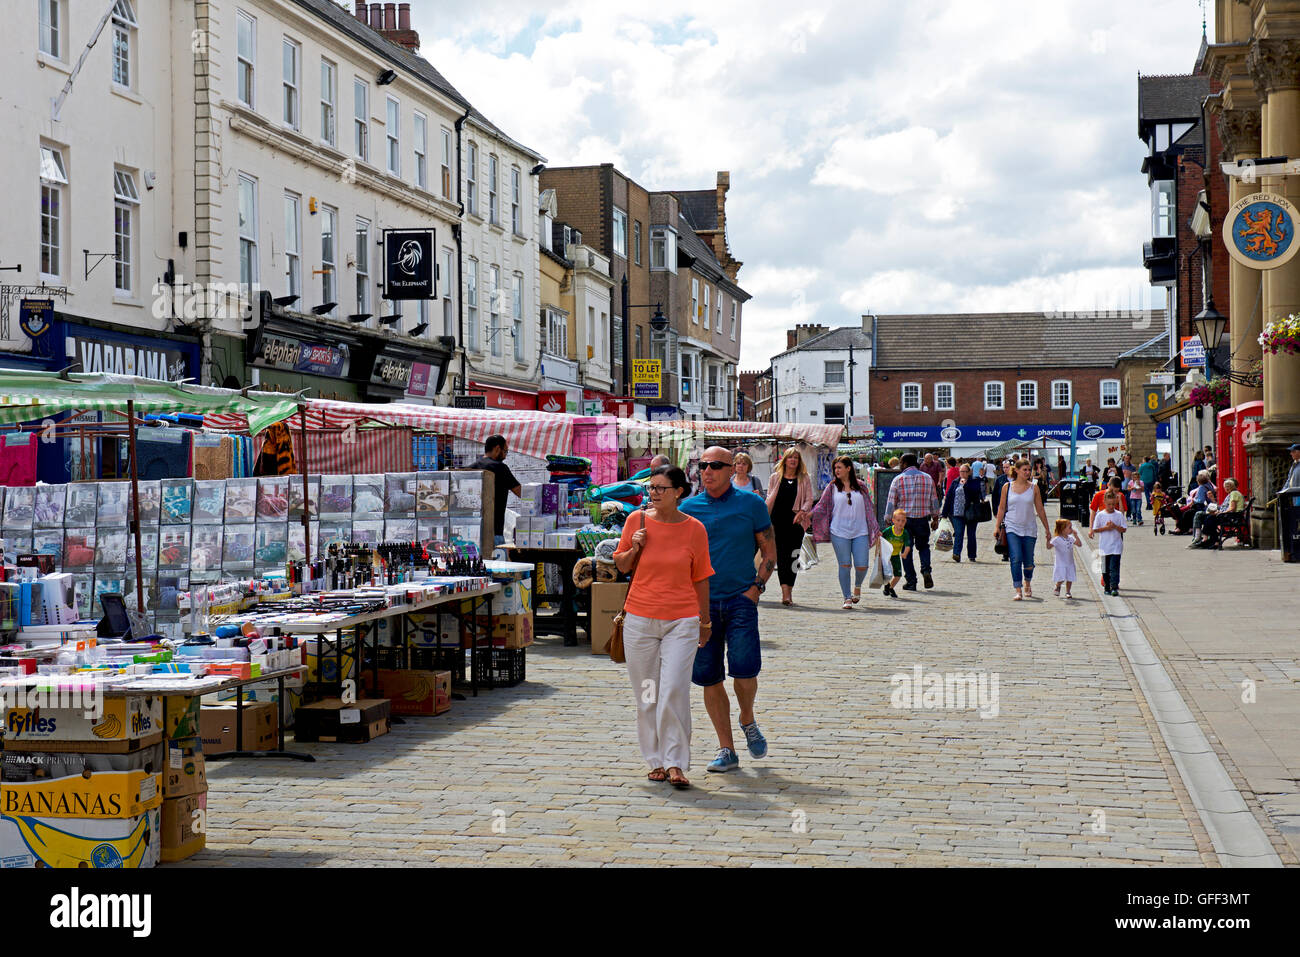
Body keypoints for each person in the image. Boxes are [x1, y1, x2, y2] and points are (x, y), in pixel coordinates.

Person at [679, 447, 778, 775]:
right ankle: (727, 749)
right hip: (701, 605)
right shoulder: (688, 509)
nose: (707, 471)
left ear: (731, 468)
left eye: (715, 466)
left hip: (740, 600)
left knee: (745, 671)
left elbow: (769, 551)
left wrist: (756, 589)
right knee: (709, 677)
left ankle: (747, 718)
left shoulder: (751, 504)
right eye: (703, 465)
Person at [613, 466, 713, 789]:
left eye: (661, 488)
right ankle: (654, 760)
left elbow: (701, 578)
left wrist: (705, 620)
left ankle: (675, 762)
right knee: (648, 693)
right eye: (652, 487)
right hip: (640, 618)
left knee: (673, 690)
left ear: (679, 492)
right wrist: (635, 547)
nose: (654, 493)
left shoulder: (695, 529)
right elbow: (621, 565)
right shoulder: (635, 521)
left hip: (682, 620)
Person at [810, 456, 881, 609]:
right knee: (845, 565)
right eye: (835, 468)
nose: (836, 471)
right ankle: (847, 597)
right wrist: (807, 515)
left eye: (839, 467)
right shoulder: (832, 487)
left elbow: (869, 508)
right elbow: (822, 506)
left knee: (862, 565)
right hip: (839, 531)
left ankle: (857, 586)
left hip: (860, 531)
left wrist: (875, 527)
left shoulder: (861, 486)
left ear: (848, 468)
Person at [994, 459, 1052, 601]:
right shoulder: (1007, 487)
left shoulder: (1034, 488)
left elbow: (1040, 509)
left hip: (1029, 528)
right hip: (1012, 526)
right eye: (1024, 470)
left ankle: (1027, 582)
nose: (1027, 472)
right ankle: (1018, 588)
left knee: (1029, 560)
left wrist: (1047, 529)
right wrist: (997, 526)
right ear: (1017, 471)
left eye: (1028, 470)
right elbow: (1001, 508)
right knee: (1015, 557)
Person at [764, 447, 814, 606]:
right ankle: (783, 591)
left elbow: (809, 499)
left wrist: (803, 511)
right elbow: (769, 497)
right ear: (784, 460)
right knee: (778, 557)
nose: (793, 460)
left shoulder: (804, 478)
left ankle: (788, 592)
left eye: (796, 458)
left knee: (792, 557)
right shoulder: (775, 478)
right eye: (790, 457)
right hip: (776, 522)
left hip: (795, 523)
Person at [884, 453, 941, 591]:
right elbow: (934, 499)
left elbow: (891, 502)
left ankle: (911, 581)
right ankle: (926, 570)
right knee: (923, 547)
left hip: (903, 522)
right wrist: (935, 517)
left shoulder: (898, 480)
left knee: (905, 550)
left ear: (903, 463)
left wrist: (888, 519)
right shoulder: (927, 478)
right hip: (922, 519)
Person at [473, 434, 522, 546]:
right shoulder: (500, 468)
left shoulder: (473, 466)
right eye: (505, 452)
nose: (505, 456)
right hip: (495, 532)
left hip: (474, 532)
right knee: (496, 563)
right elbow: (521, 492)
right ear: (497, 449)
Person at [941, 462, 985, 562]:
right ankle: (956, 554)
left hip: (971, 512)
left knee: (971, 534)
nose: (963, 473)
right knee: (959, 533)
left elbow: (976, 493)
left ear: (969, 472)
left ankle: (972, 555)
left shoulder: (974, 481)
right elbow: (949, 498)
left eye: (965, 471)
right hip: (957, 513)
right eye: (961, 471)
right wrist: (944, 513)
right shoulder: (955, 482)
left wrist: (965, 485)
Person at [1090, 490, 1128, 597]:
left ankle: (1114, 586)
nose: (1111, 506)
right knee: (1105, 568)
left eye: (1113, 504)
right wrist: (1106, 528)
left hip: (1116, 546)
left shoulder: (1119, 515)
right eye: (1109, 504)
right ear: (1104, 503)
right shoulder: (1100, 515)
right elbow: (1096, 529)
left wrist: (1115, 526)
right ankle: (1107, 586)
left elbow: (1124, 529)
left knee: (1114, 567)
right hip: (1104, 546)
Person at [1194, 477, 1246, 548]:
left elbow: (1232, 508)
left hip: (1231, 516)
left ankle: (1211, 540)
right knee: (1208, 518)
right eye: (1225, 487)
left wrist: (1221, 513)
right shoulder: (1232, 493)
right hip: (1231, 515)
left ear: (1232, 486)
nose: (1227, 488)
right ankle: (1211, 540)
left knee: (1210, 519)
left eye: (1228, 486)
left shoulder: (1234, 493)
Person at [880, 509, 911, 598]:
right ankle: (887, 586)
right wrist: (879, 553)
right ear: (893, 520)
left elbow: (908, 545)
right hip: (887, 555)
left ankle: (890, 587)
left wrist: (905, 554)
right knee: (886, 573)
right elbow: (880, 540)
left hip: (896, 555)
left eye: (903, 521)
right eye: (898, 520)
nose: (900, 523)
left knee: (898, 575)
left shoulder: (904, 533)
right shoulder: (888, 531)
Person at [1048, 518, 1082, 599]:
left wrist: (1076, 536)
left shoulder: (1071, 538)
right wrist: (1048, 540)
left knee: (1070, 578)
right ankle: (1058, 585)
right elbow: (1049, 547)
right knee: (1062, 577)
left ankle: (1068, 591)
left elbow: (1079, 544)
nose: (1071, 529)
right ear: (1062, 529)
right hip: (1061, 562)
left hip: (1070, 562)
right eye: (1069, 527)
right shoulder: (1057, 539)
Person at [1174, 470, 1216, 535]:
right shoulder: (1209, 485)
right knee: (1187, 513)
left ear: (1199, 481)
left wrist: (1194, 500)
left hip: (1201, 507)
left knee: (1187, 513)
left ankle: (1181, 529)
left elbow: (1201, 500)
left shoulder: (1202, 487)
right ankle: (1186, 528)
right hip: (1207, 506)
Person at [992, 459, 1015, 562]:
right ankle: (1005, 553)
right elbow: (994, 495)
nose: (1005, 469)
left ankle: (1013, 551)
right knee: (1003, 531)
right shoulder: (1000, 479)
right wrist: (995, 511)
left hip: (1014, 510)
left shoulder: (1017, 479)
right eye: (1004, 467)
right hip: (1003, 510)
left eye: (1007, 467)